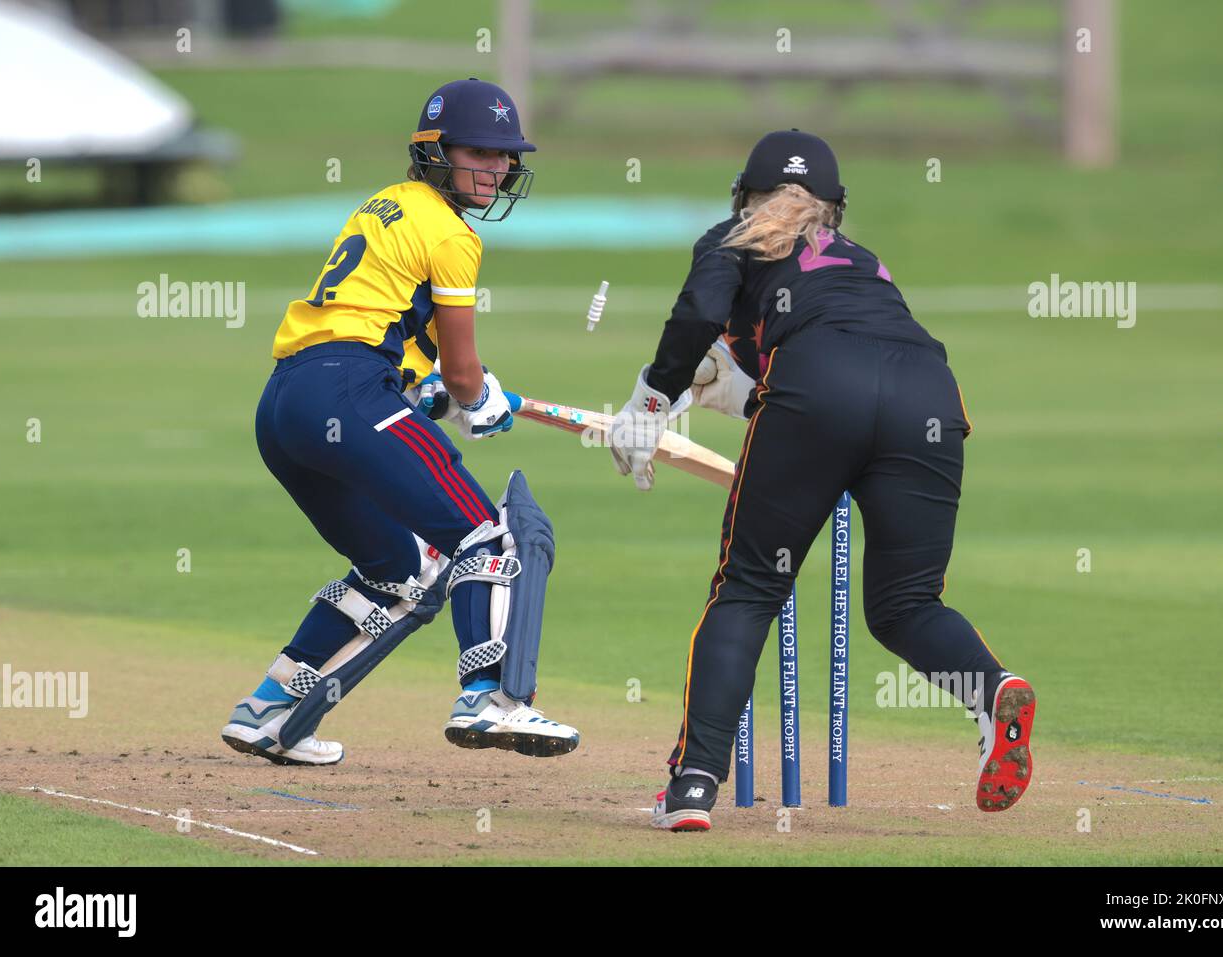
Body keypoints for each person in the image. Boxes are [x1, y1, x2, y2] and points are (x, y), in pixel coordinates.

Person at [608, 129, 1036, 830]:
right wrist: (733, 393)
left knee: (748, 590)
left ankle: (692, 786)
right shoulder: (862, 261)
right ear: (832, 208)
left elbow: (699, 318)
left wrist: (650, 404)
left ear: (744, 198)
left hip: (815, 389)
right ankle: (994, 692)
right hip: (929, 396)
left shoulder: (732, 238)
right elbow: (845, 370)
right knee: (906, 604)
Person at [221, 78, 579, 766]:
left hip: (287, 402)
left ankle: (267, 708)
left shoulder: (385, 204)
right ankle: (489, 697)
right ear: (435, 151)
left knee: (393, 566)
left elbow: (397, 340)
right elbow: (463, 372)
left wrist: (441, 393)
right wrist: (478, 398)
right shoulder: (453, 234)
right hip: (349, 386)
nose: (498, 168)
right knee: (486, 532)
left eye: (506, 156)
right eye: (481, 151)